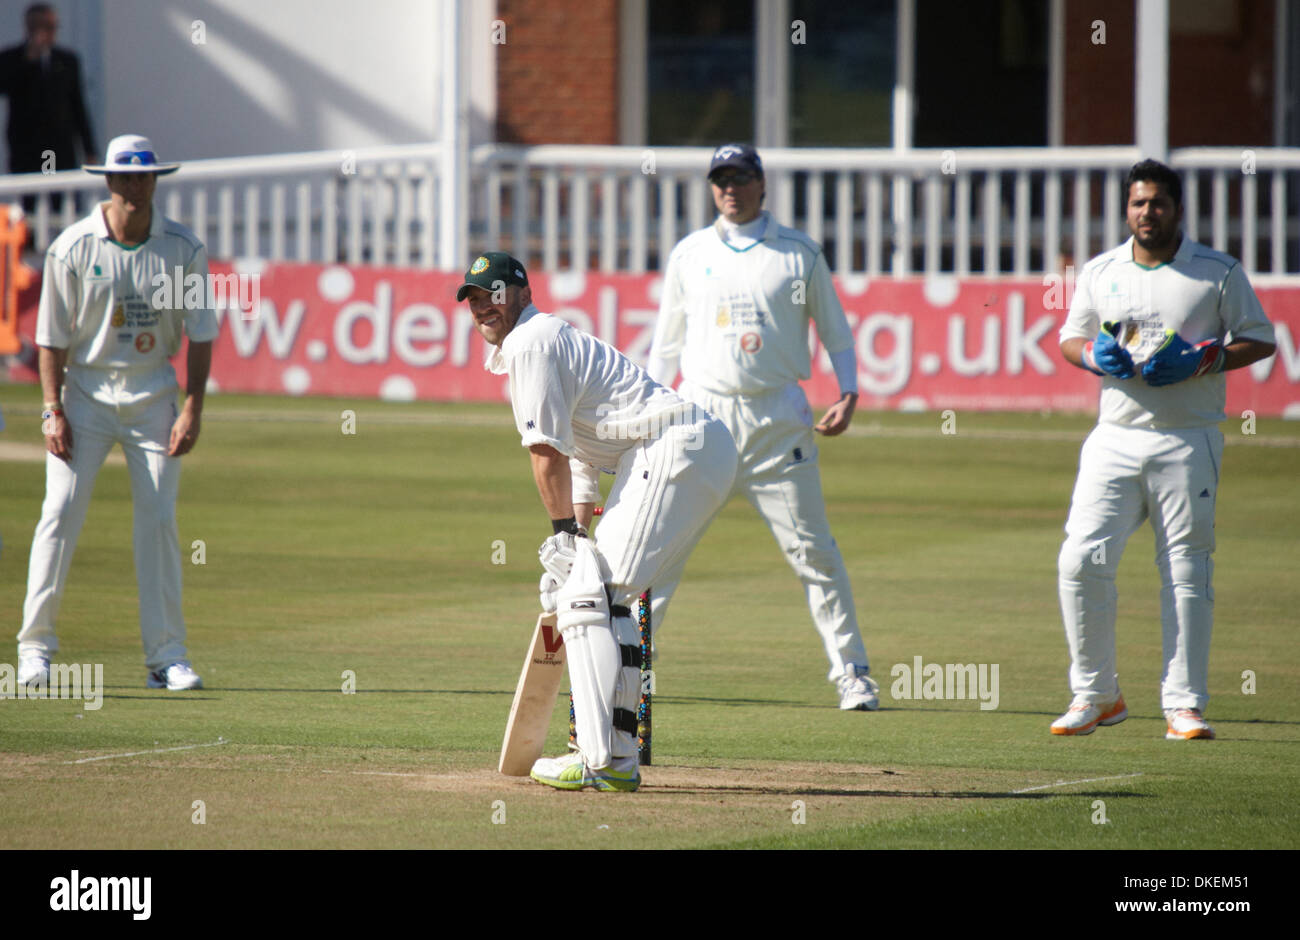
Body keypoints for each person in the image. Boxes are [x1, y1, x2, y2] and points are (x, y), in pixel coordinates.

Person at [460, 251, 738, 792]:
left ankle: (604, 760)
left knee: (591, 596)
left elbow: (544, 451)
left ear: (520, 292)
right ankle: (612, 754)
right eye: (472, 298)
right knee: (602, 597)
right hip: (691, 450)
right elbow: (580, 461)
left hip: (674, 447)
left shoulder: (532, 343)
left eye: (493, 293)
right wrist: (573, 538)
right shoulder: (547, 343)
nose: (482, 306)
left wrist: (564, 537)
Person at [646, 142, 878, 711]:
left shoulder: (798, 253)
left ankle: (853, 673)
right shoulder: (690, 253)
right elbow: (666, 343)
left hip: (777, 421)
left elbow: (836, 331)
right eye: (720, 179)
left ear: (761, 184)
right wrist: (650, 412)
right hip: (702, 416)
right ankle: (631, 670)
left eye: (740, 177)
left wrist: (848, 392)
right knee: (659, 553)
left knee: (815, 554)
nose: (729, 188)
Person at [1053, 159, 1276, 741]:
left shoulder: (1216, 271)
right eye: (1137, 203)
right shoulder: (1101, 270)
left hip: (1188, 437)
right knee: (1080, 561)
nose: (1146, 213)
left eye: (1157, 203)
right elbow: (1070, 338)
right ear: (1125, 209)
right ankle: (1097, 695)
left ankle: (1184, 705)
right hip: (1115, 435)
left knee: (1185, 570)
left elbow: (1259, 337)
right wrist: (1090, 356)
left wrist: (1207, 358)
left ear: (1178, 209)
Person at [16, 134, 216, 692]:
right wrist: (52, 410)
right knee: (59, 512)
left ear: (155, 180)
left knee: (157, 521)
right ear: (108, 181)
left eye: (144, 177)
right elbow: (51, 339)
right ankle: (35, 650)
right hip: (85, 393)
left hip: (154, 394)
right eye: (125, 177)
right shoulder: (74, 246)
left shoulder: (181, 248)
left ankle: (166, 658)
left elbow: (201, 333)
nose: (134, 187)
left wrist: (193, 408)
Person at [0, 4, 96, 211]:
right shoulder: (11, 58)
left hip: (54, 150)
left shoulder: (67, 61)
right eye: (42, 27)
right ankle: (28, 242)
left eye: (52, 27)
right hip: (25, 149)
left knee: (57, 195)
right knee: (26, 204)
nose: (48, 33)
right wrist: (30, 60)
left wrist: (89, 149)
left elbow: (78, 106)